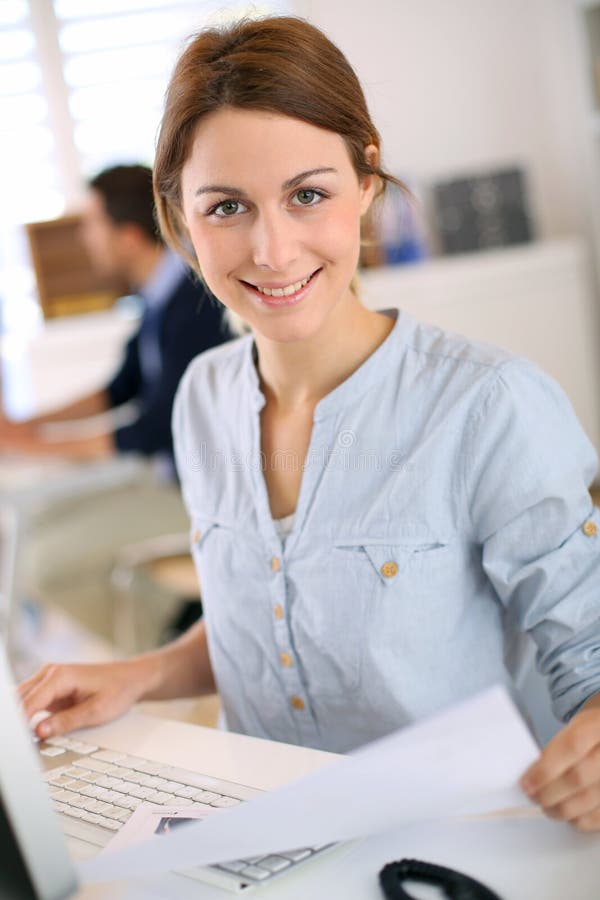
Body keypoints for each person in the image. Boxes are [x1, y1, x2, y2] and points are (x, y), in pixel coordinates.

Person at [19, 16, 600, 832]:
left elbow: (591, 656)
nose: (274, 249)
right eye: (226, 207)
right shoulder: (203, 398)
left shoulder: (490, 406)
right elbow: (266, 626)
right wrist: (141, 676)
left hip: (461, 841)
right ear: (178, 218)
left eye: (308, 195)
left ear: (365, 180)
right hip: (270, 830)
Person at [0, 164, 232, 465]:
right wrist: (25, 426)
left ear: (129, 238)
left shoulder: (195, 303)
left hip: (195, 481)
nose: (84, 238)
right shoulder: (161, 293)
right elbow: (120, 389)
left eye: (93, 224)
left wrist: (34, 447)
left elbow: (159, 427)